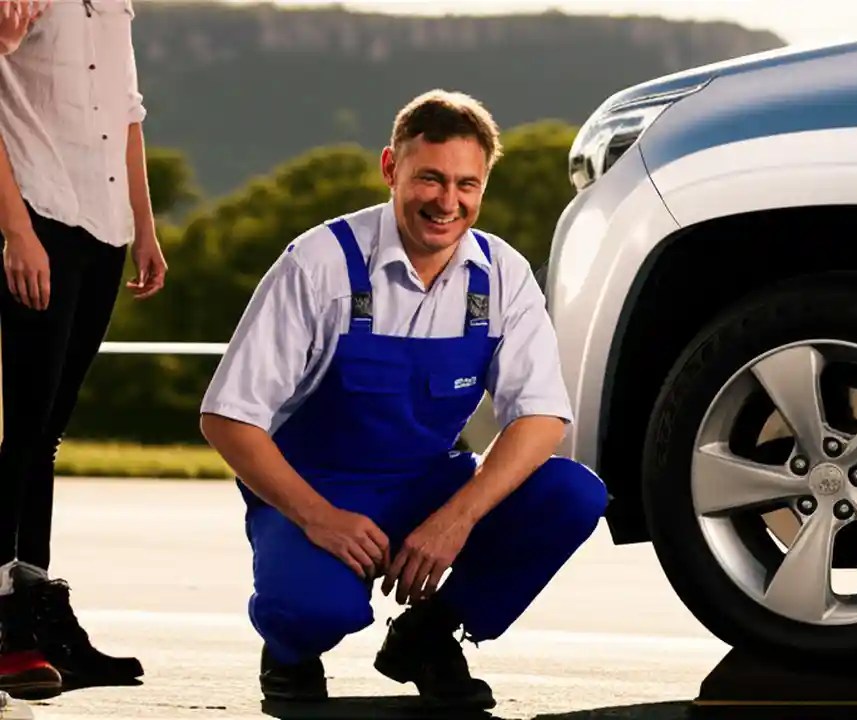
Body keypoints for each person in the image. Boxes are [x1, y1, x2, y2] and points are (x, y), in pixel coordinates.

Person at [199, 89, 608, 710]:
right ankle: (288, 649)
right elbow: (228, 418)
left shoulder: (502, 275)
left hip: (426, 486)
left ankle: (427, 634)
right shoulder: (319, 265)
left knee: (573, 493)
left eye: (466, 184)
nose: (448, 203)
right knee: (315, 608)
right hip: (316, 489)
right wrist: (318, 517)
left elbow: (541, 416)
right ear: (391, 169)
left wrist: (457, 518)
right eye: (430, 180)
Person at [0, 0, 163, 699]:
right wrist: (15, 232)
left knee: (48, 434)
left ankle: (36, 620)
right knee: (19, 431)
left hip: (104, 223)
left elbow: (125, 113)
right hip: (38, 213)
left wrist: (145, 227)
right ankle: (8, 628)